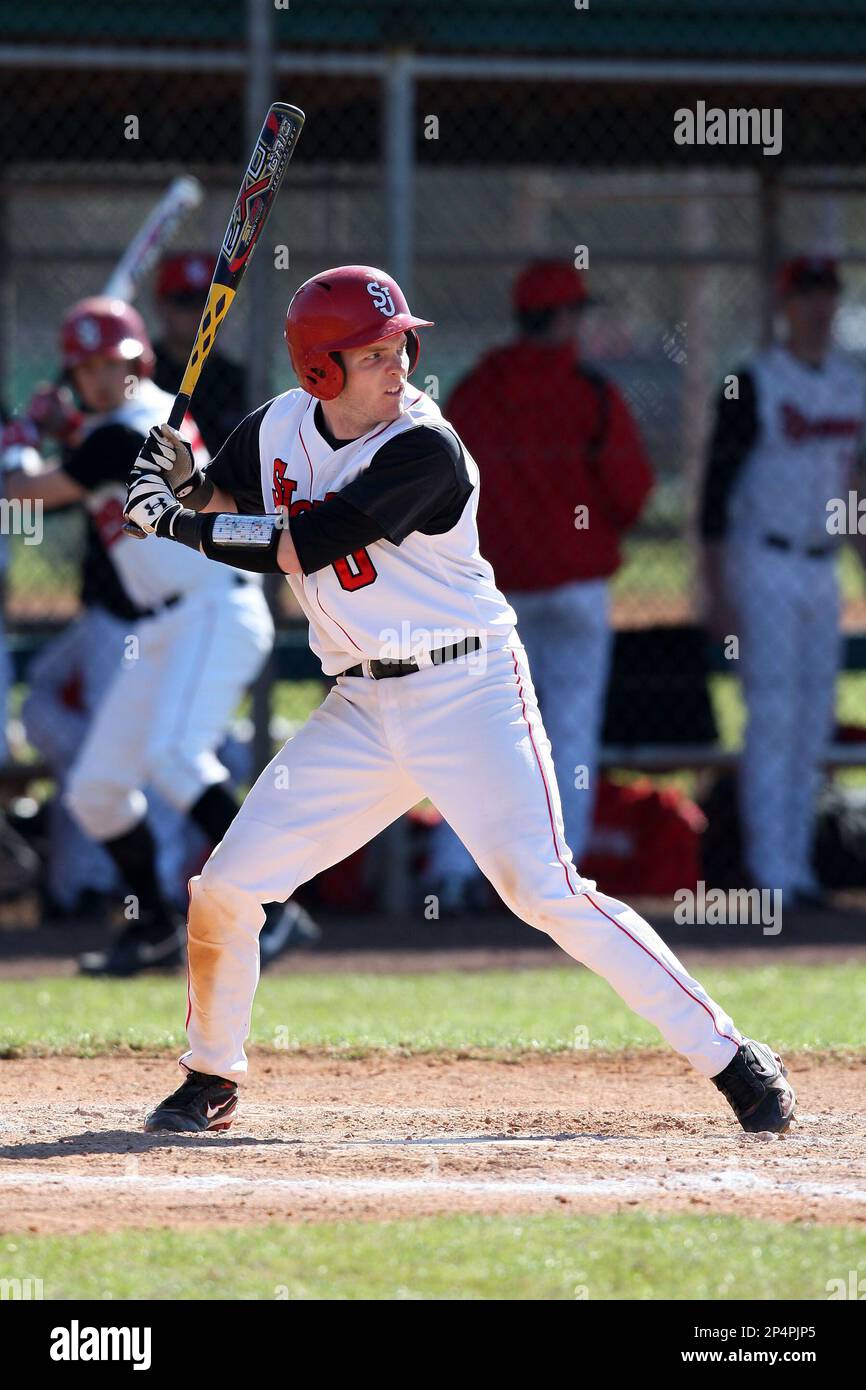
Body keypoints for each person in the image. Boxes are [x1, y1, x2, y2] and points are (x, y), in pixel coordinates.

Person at [124, 262, 794, 1137]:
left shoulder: (424, 447)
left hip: (468, 691)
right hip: (361, 707)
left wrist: (177, 523)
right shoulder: (280, 425)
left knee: (546, 890)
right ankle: (210, 1075)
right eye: (373, 353)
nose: (398, 363)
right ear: (319, 370)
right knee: (225, 887)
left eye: (401, 343)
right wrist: (181, 483)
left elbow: (304, 543)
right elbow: (230, 495)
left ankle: (732, 1057)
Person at [3, 295, 318, 974]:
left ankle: (278, 907)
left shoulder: (134, 427)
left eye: (111, 364)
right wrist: (55, 433)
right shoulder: (110, 426)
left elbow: (29, 493)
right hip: (165, 623)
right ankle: (153, 928)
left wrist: (23, 443)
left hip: (213, 606)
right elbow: (76, 470)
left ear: (139, 359)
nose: (98, 378)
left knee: (176, 757)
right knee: (97, 788)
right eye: (84, 369)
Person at [426, 261, 654, 908]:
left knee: (479, 732)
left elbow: (440, 487)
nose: (581, 323)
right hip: (576, 589)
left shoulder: (477, 389)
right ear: (557, 318)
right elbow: (631, 492)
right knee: (568, 734)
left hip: (492, 590)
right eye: (575, 312)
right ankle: (559, 878)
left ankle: (453, 871)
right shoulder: (589, 390)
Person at [700, 255, 866, 907]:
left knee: (813, 723)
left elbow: (855, 484)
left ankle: (796, 868)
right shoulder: (754, 382)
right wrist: (716, 588)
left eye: (827, 295)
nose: (819, 308)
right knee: (771, 719)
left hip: (823, 565)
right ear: (784, 305)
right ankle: (770, 871)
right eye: (806, 296)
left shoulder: (852, 384)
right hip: (760, 559)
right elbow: (714, 494)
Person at [153, 253, 247, 455]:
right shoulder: (145, 372)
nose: (199, 313)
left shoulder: (236, 380)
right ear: (161, 305)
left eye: (207, 302)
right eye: (185, 301)